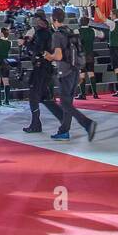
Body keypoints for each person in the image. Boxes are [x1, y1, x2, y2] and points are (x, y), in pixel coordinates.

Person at [44, 10, 97, 142]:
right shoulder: (71, 32)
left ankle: (87, 123)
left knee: (64, 103)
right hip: (75, 70)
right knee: (68, 102)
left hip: (65, 71)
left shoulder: (57, 35)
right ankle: (64, 131)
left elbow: (58, 56)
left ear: (54, 19)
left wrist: (49, 56)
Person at [77, 14, 104, 99]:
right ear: (88, 23)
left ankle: (83, 94)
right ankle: (95, 93)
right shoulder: (93, 30)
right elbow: (102, 35)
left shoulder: (77, 31)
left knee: (82, 74)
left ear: (80, 23)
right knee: (91, 73)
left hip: (81, 55)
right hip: (90, 54)